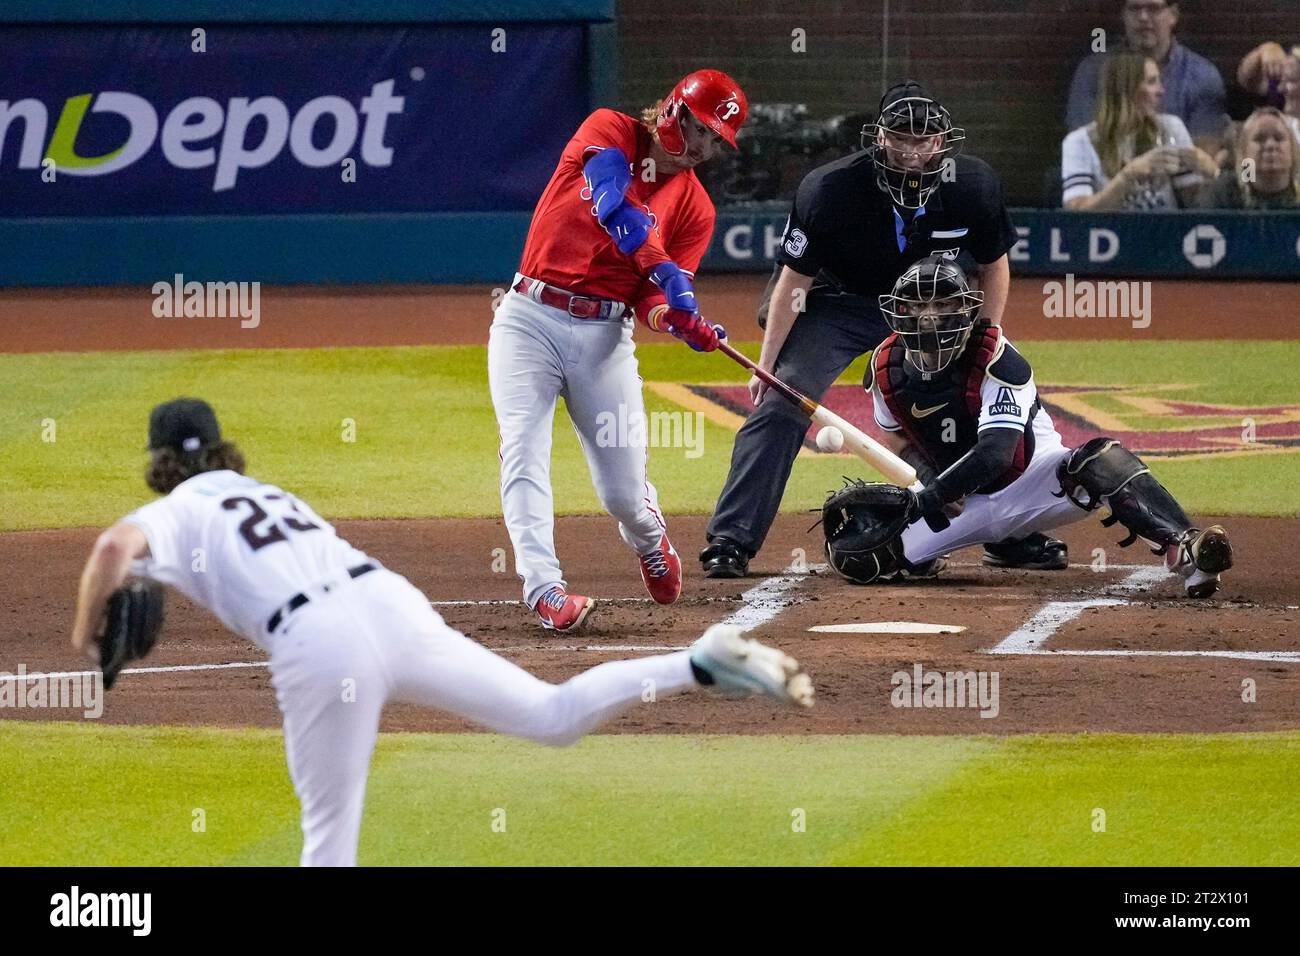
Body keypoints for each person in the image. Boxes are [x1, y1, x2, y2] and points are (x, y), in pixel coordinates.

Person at [69, 398, 815, 867]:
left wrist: (85, 629)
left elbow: (111, 552)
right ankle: (697, 663)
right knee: (548, 717)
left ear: (159, 463)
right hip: (390, 603)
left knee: (329, 842)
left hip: (318, 644)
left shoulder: (175, 509)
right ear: (223, 447)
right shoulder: (267, 492)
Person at [701, 80, 1067, 579]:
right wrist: (767, 366)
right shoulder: (830, 189)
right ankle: (731, 540)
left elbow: (994, 265)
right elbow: (793, 281)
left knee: (975, 405)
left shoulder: (973, 185)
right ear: (879, 138)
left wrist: (986, 339)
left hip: (931, 309)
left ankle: (1008, 535)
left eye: (923, 140)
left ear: (942, 142)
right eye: (900, 138)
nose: (912, 151)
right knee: (783, 400)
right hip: (840, 303)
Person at [489, 69, 743, 632]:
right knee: (522, 452)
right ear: (673, 111)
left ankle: (650, 541)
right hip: (528, 319)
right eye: (699, 130)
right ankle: (544, 590)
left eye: (715, 142)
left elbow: (651, 302)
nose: (702, 148)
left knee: (623, 492)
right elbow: (612, 203)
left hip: (603, 339)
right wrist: (667, 272)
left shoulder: (696, 210)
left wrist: (681, 320)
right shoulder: (609, 128)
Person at [822, 256, 1234, 599]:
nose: (930, 317)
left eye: (944, 305)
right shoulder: (885, 368)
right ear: (901, 310)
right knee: (859, 557)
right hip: (954, 499)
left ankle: (1185, 548)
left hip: (1036, 480)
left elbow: (995, 453)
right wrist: (930, 482)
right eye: (919, 305)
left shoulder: (999, 360)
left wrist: (926, 500)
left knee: (1099, 457)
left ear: (966, 309)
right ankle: (1000, 546)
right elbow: (896, 437)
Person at [1065, 0, 1226, 155]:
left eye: (1154, 8)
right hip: (1105, 177)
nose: (1143, 17)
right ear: (1124, 15)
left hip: (1176, 177)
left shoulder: (1202, 75)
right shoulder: (1094, 70)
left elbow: (1203, 153)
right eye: (1134, 8)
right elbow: (1084, 145)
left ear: (1173, 15)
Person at [1062, 53, 1218, 210]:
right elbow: (1076, 213)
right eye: (1151, 82)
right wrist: (1127, 177)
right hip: (1110, 231)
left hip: (1164, 230)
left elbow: (1195, 204)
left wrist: (1211, 173)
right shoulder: (1079, 142)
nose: (1161, 91)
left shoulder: (1170, 127)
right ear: (1126, 90)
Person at [1196, 108, 1300, 209]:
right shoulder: (1222, 192)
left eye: (1278, 138)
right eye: (1259, 139)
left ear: (1293, 149)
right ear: (1244, 151)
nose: (1270, 145)